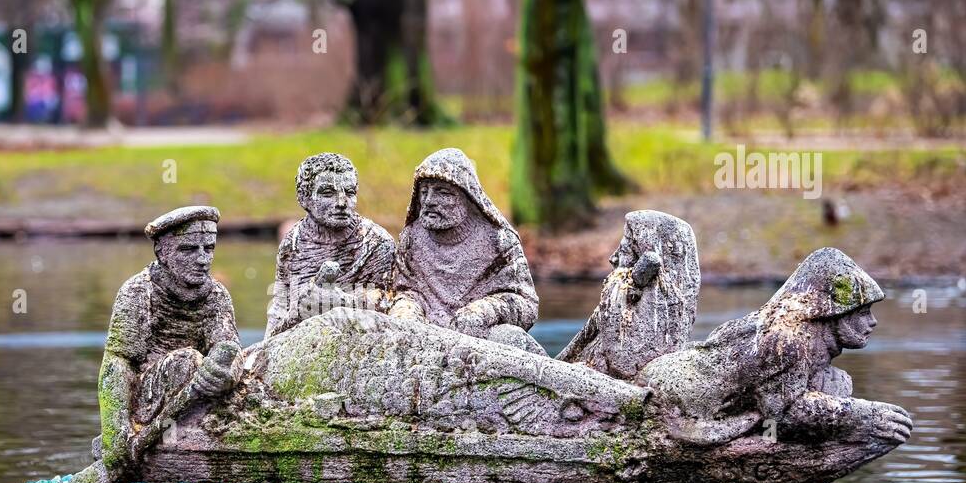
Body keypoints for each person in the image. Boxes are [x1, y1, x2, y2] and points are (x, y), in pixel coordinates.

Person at [638, 247, 912, 447]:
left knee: (838, 384)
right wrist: (861, 416)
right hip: (677, 396)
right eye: (862, 312)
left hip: (680, 381)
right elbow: (783, 417)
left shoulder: (805, 340)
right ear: (833, 312)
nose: (872, 322)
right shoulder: (787, 341)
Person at [90, 206, 241, 483]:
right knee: (185, 361)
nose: (203, 259)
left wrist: (224, 374)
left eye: (209, 248)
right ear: (162, 252)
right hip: (150, 399)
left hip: (197, 396)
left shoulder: (217, 295)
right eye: (189, 249)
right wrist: (115, 434)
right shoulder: (139, 291)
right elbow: (117, 364)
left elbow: (230, 350)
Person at [389, 147, 542, 352]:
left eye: (443, 193)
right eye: (424, 192)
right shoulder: (412, 238)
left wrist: (484, 310)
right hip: (426, 340)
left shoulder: (499, 240)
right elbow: (405, 291)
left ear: (467, 197)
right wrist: (406, 310)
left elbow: (526, 304)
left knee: (510, 338)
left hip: (481, 339)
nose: (429, 201)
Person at [263, 152, 396, 340]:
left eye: (349, 192)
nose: (342, 203)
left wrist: (339, 302)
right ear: (304, 198)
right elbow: (278, 310)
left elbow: (385, 312)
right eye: (328, 193)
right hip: (298, 342)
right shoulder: (292, 243)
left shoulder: (376, 243)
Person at [558, 210, 701, 380]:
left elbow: (621, 362)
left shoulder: (654, 309)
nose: (613, 258)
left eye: (624, 249)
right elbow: (579, 343)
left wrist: (620, 292)